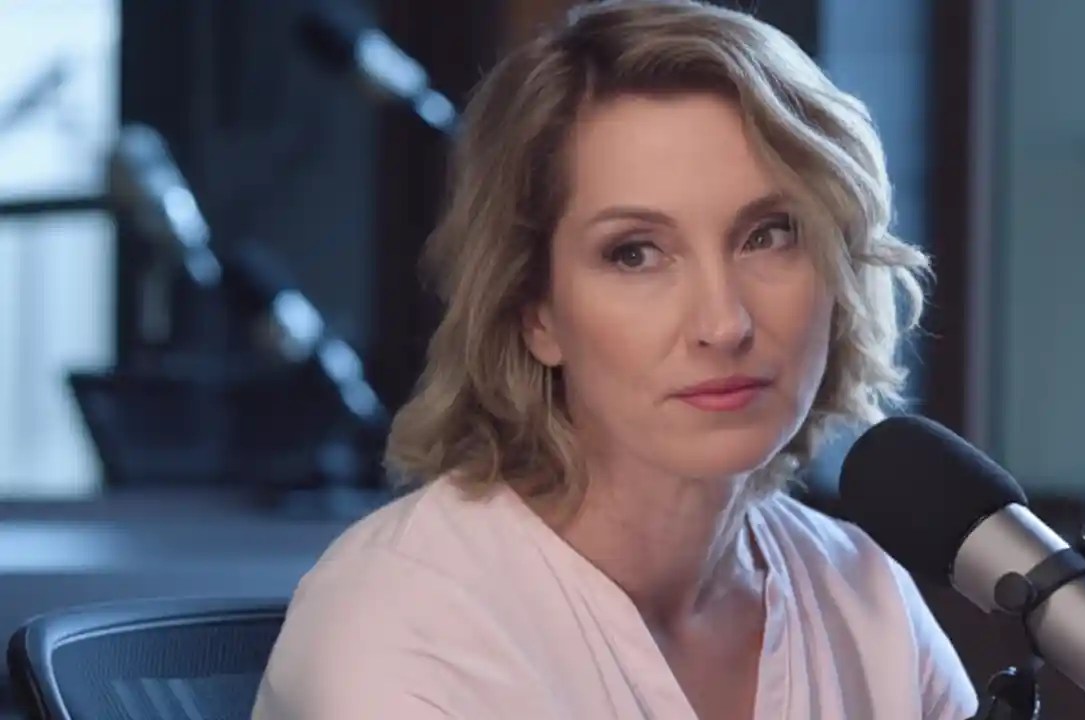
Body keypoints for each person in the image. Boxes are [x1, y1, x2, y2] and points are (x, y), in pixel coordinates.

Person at [252, 1, 979, 718]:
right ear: (535, 312)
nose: (723, 324)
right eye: (634, 253)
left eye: (769, 234)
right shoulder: (402, 625)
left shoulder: (865, 598)